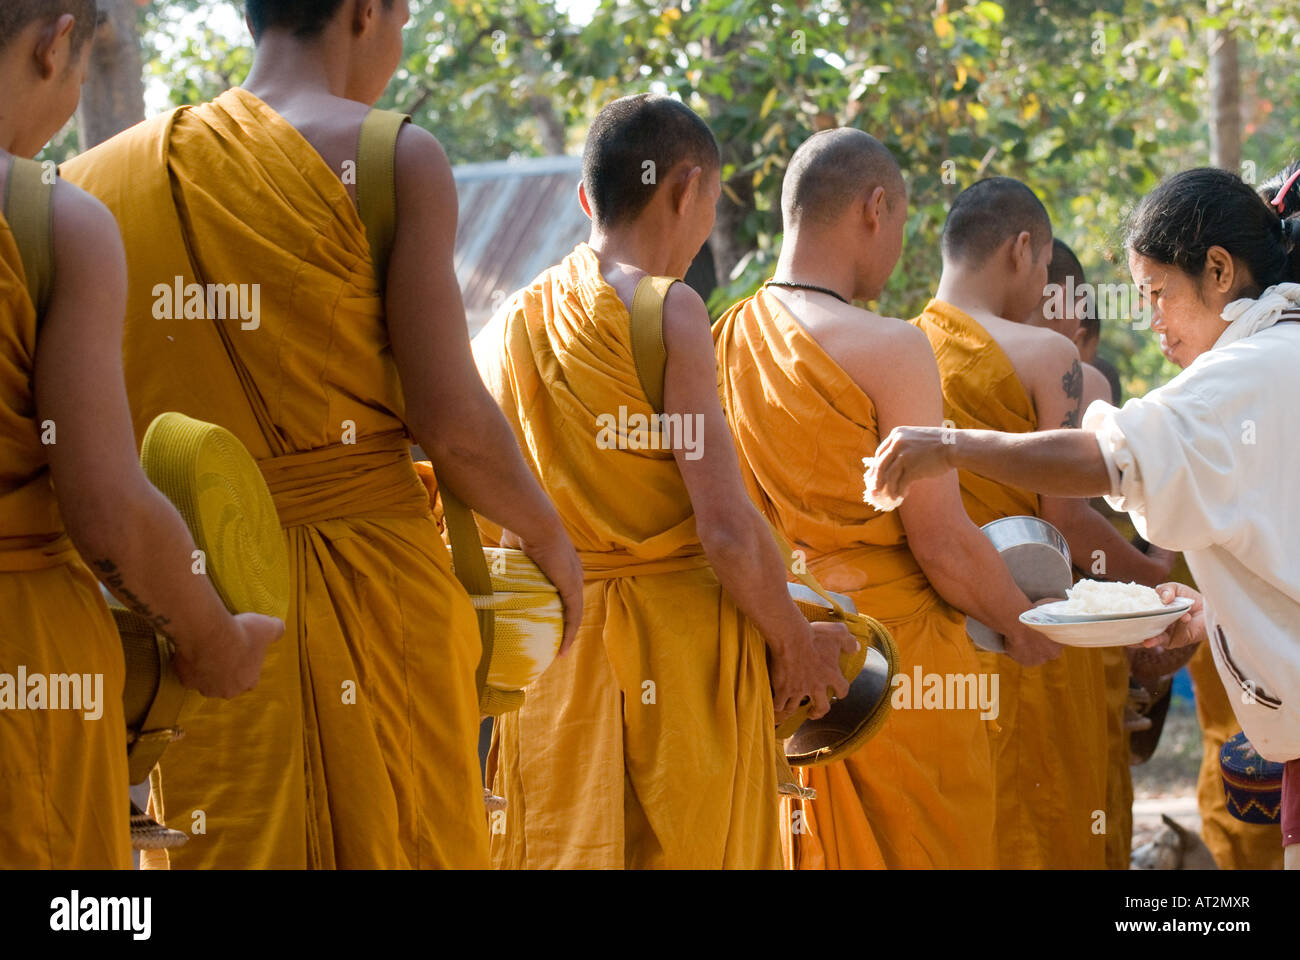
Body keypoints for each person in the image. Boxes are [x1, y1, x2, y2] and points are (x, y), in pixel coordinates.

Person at [63, 0, 583, 869]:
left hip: (207, 608)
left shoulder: (93, 184)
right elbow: (451, 423)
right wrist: (547, 534)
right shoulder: (390, 156)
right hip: (379, 592)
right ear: (363, 12)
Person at [872, 165, 1300, 867]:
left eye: (1159, 294)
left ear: (1219, 270)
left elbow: (1104, 460)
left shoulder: (1248, 370)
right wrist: (1210, 611)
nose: (1153, 324)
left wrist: (947, 446)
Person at [473, 94, 855, 869]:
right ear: (687, 189)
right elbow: (723, 524)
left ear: (587, 199)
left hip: (561, 653)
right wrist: (794, 642)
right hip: (681, 663)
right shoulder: (667, 308)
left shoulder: (513, 321)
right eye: (710, 204)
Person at [714, 129, 1058, 868]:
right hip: (896, 668)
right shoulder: (891, 346)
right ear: (875, 208)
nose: (899, 246)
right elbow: (942, 541)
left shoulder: (720, 340)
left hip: (786, 655)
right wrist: (1025, 625)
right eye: (901, 224)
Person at [0, 0, 280, 868]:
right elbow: (108, 506)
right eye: (83, 66)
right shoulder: (53, 221)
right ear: (54, 45)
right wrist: (215, 640)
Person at [907, 177, 1135, 868]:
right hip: (1036, 624)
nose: (1045, 290)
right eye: (1043, 270)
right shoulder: (1049, 356)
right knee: (1052, 821)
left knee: (968, 827)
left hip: (937, 631)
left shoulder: (894, 350)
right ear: (1021, 249)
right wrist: (1150, 581)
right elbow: (1065, 514)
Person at [1026, 237, 1176, 867]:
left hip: (976, 622)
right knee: (1074, 808)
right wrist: (1151, 584)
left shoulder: (923, 352)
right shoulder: (1071, 375)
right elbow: (1071, 519)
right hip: (1066, 631)